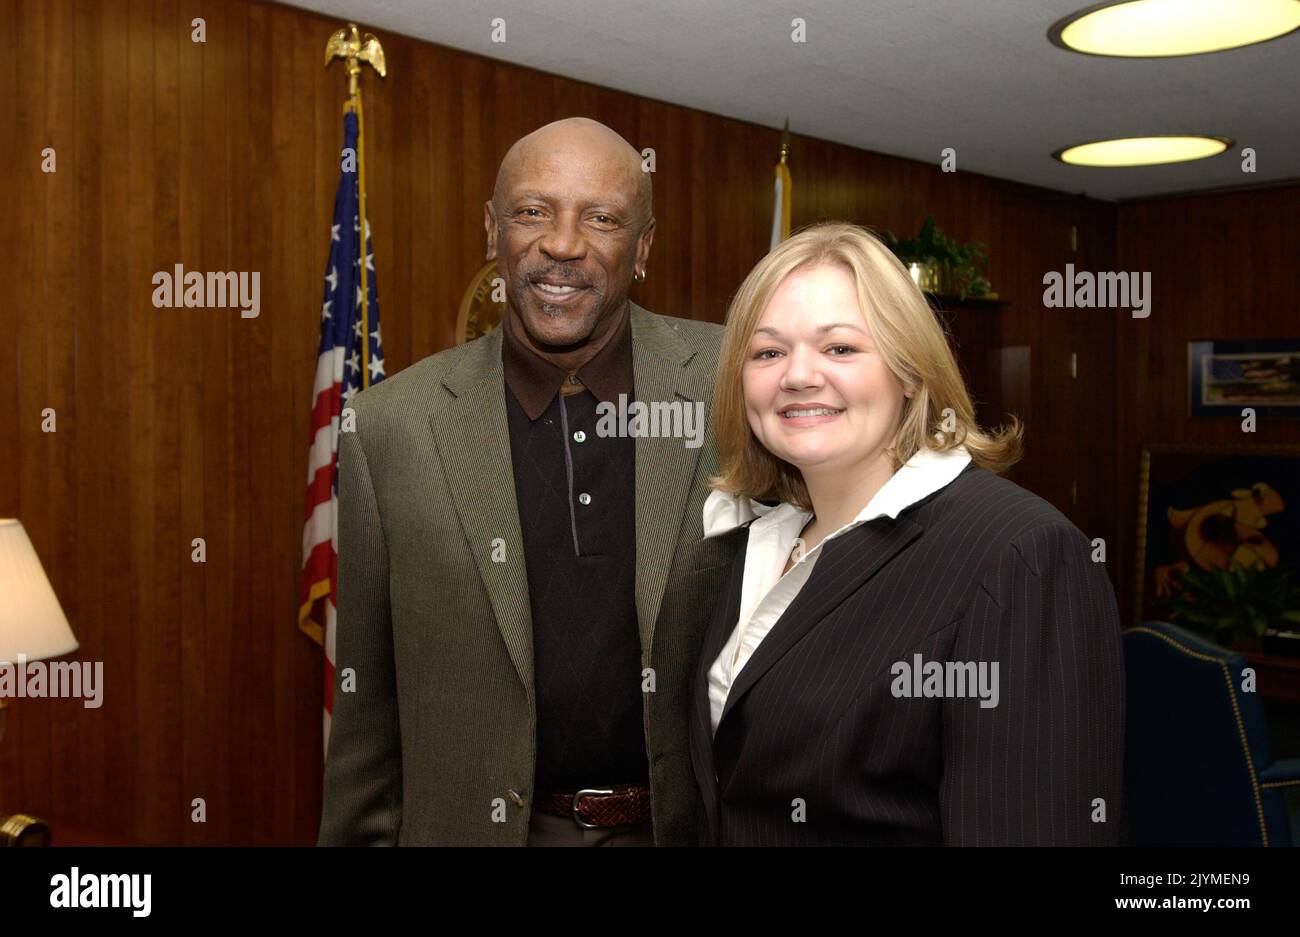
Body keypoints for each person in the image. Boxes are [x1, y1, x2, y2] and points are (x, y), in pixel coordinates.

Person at [319, 117, 736, 846]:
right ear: (492, 232)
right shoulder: (389, 427)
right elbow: (367, 715)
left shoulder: (737, 386)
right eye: (532, 211)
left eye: (601, 218)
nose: (563, 244)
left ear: (642, 248)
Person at [689, 222, 1125, 845]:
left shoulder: (1020, 555)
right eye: (767, 352)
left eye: (839, 348)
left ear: (910, 373)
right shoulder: (754, 542)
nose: (797, 375)